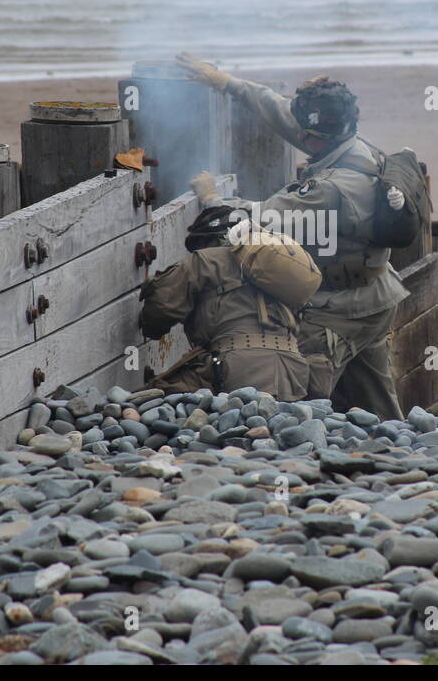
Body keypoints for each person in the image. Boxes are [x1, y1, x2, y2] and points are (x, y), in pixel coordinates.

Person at [176, 52, 408, 421]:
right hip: (375, 295)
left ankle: (298, 446)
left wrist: (212, 199)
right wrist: (227, 82)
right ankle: (399, 449)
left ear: (317, 137)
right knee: (373, 399)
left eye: (306, 136)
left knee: (295, 378)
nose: (299, 138)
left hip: (342, 309)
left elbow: (258, 218)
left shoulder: (333, 188)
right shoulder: (350, 144)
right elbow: (282, 113)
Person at [140, 204, 314, 402]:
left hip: (234, 367)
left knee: (153, 401)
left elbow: (159, 311)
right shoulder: (273, 267)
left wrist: (147, 325)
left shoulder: (204, 260)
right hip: (292, 370)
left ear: (209, 239)